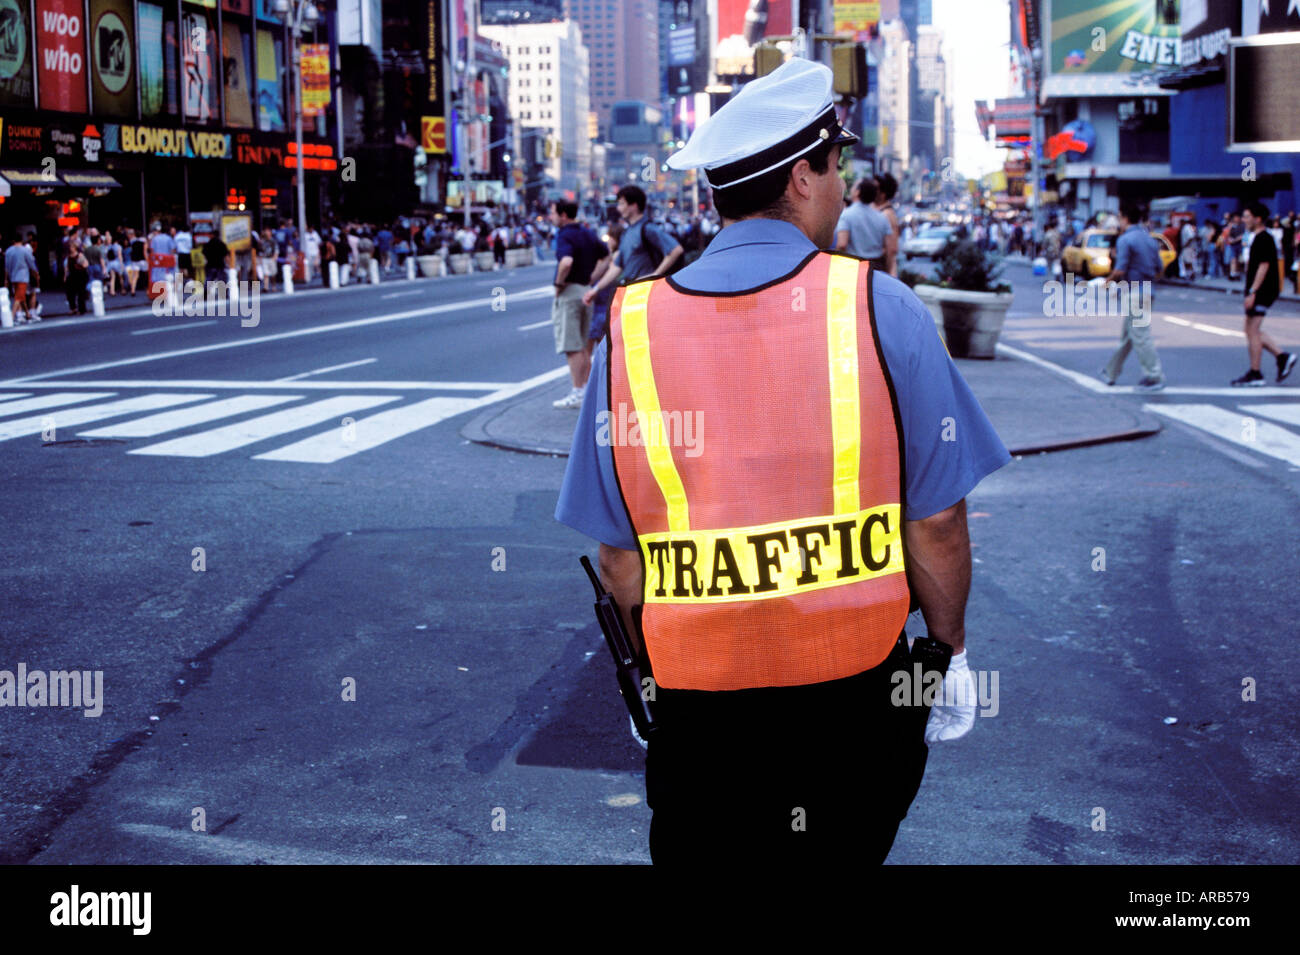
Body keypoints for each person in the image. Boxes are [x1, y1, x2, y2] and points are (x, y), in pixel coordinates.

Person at [555, 58, 1009, 866]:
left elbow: (619, 557)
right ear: (804, 176)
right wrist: (953, 652)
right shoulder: (879, 307)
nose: (843, 186)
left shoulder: (634, 330)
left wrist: (646, 680)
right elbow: (937, 520)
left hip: (698, 708)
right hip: (856, 707)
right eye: (838, 167)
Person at [548, 200, 609, 409]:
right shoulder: (586, 232)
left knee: (572, 346)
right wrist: (592, 278)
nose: (551, 217)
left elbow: (566, 261)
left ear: (563, 215)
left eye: (553, 212)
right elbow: (606, 256)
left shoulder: (564, 235)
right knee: (583, 346)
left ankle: (577, 391)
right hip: (585, 291)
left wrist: (558, 283)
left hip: (570, 292)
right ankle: (584, 390)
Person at [581, 185, 683, 308]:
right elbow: (617, 268)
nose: (619, 208)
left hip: (648, 294)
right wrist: (596, 289)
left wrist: (655, 274)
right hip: (631, 293)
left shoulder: (648, 228)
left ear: (634, 206)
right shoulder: (627, 233)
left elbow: (676, 250)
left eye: (622, 204)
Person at [1100, 204, 1166, 391]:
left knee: (1140, 335)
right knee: (1129, 335)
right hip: (1148, 290)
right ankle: (1110, 372)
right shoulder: (1150, 240)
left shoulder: (1125, 240)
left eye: (1120, 218)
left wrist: (1108, 281)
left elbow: (1120, 269)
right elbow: (1159, 269)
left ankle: (1154, 376)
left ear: (1125, 218)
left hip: (1134, 292)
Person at [1232, 202, 1295, 386]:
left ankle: (1256, 373)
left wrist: (1253, 292)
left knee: (1252, 330)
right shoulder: (1259, 237)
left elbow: (1264, 266)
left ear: (1257, 219)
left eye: (1247, 216)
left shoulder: (1263, 238)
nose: (1244, 220)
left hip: (1263, 290)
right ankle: (1282, 357)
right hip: (1261, 290)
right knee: (1250, 329)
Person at [834, 178, 890, 270]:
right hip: (877, 266)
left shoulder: (847, 214)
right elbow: (889, 248)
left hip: (854, 266)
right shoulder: (882, 217)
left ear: (857, 192)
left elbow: (842, 244)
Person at [5, 233, 39, 323]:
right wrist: (36, 273)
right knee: (18, 297)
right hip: (23, 276)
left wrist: (6, 278)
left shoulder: (8, 251)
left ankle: (27, 314)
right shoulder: (25, 250)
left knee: (20, 295)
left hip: (13, 276)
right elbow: (31, 263)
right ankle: (11, 318)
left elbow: (7, 266)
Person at [873, 172, 901, 275]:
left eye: (875, 188)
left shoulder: (887, 214)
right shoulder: (877, 210)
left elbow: (892, 249)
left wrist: (890, 275)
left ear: (883, 194)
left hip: (883, 270)